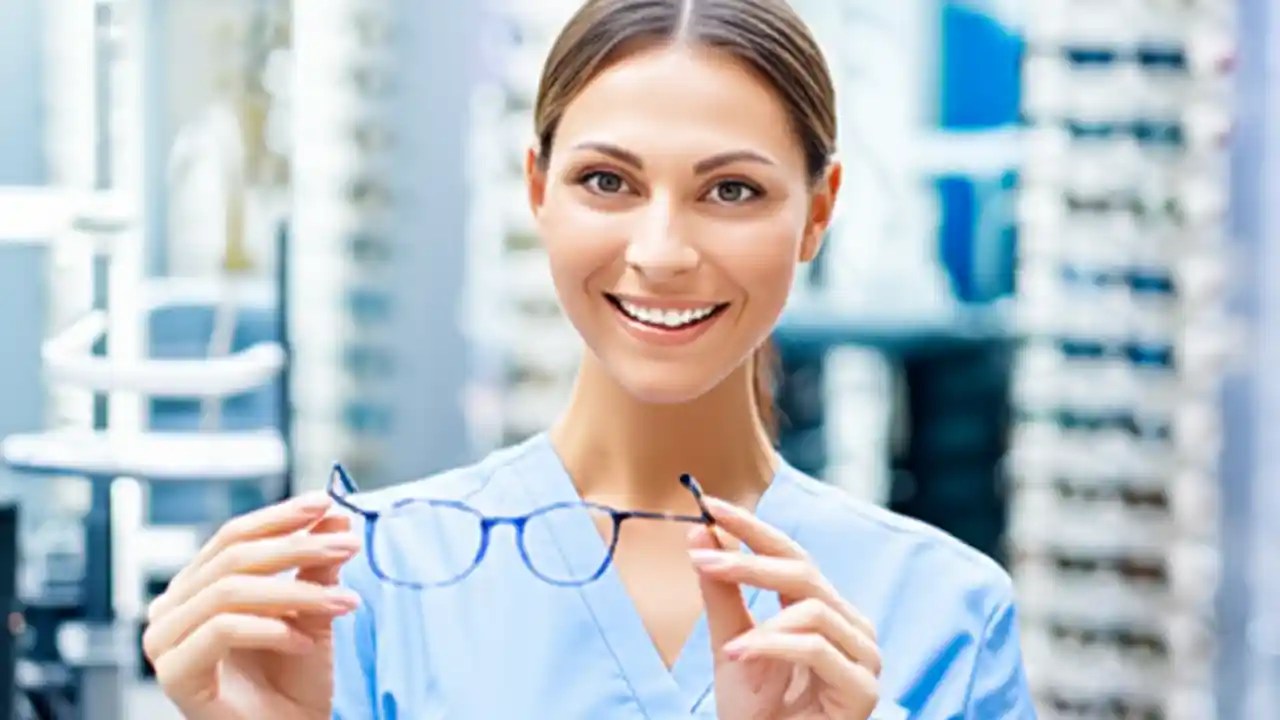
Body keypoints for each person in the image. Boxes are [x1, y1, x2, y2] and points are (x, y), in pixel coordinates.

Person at [143, 0, 1038, 718]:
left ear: (816, 210)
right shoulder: (363, 588)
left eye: (732, 190)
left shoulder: (947, 614)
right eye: (607, 182)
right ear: (538, 189)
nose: (661, 250)